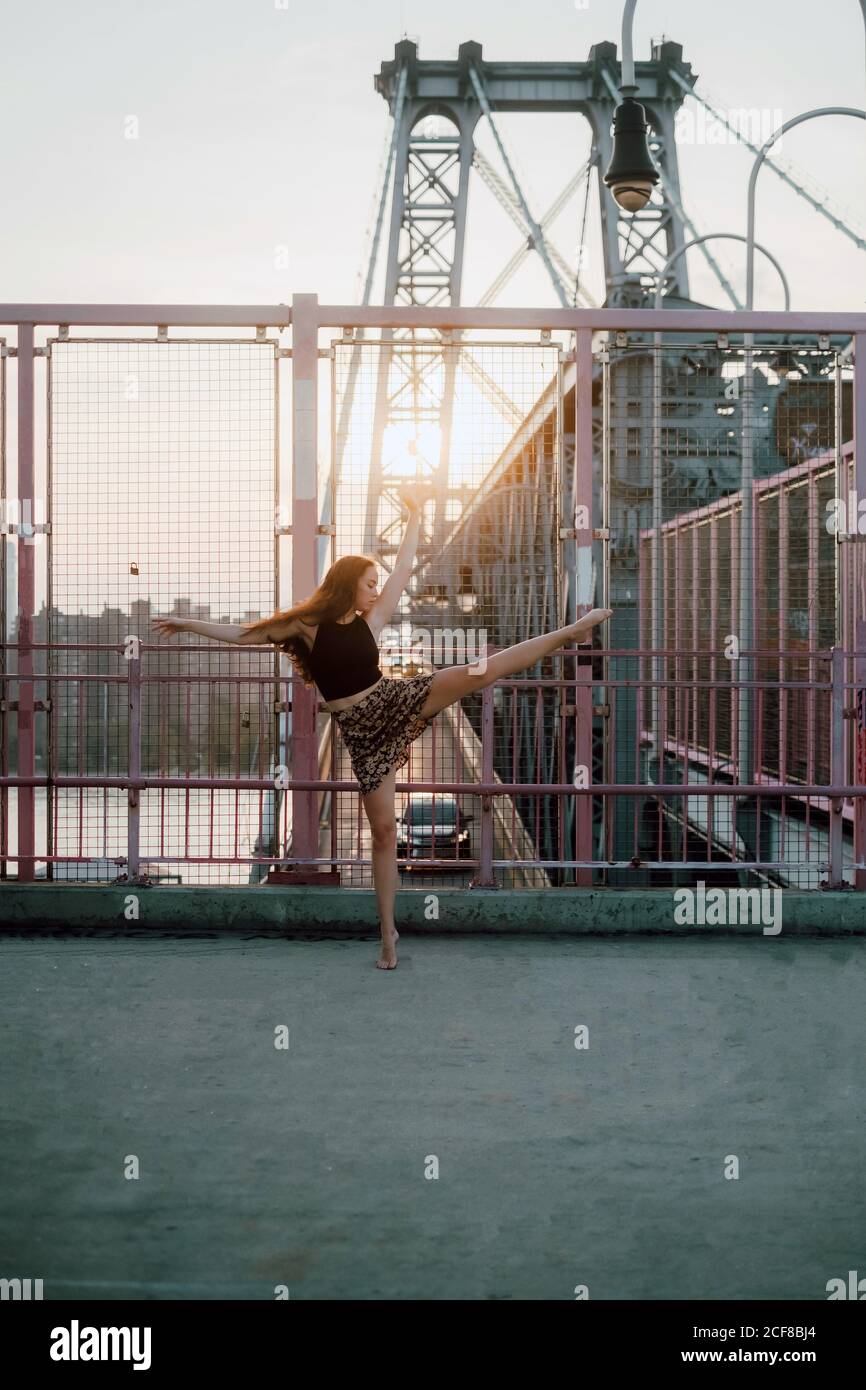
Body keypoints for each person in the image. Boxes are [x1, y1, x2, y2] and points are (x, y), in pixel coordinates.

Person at [153, 483, 613, 969]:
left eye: (377, 584)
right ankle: (388, 934)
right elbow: (244, 635)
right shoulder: (305, 626)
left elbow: (403, 570)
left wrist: (415, 515)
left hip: (395, 699)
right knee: (385, 832)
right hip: (363, 733)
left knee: (484, 669)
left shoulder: (369, 623)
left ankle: (569, 633)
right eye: (369, 583)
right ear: (347, 582)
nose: (376, 591)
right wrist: (188, 623)